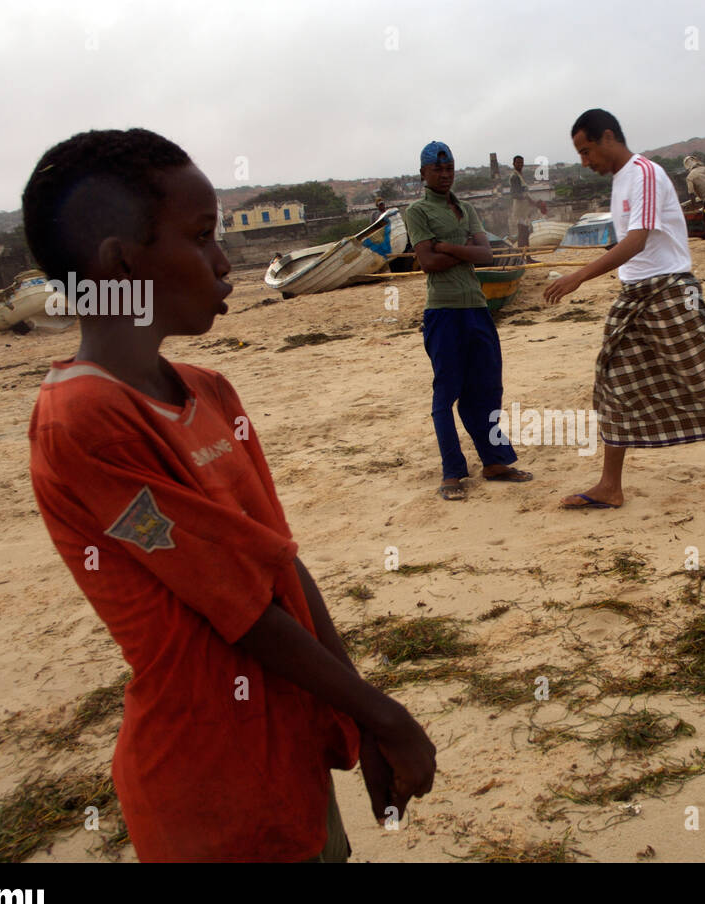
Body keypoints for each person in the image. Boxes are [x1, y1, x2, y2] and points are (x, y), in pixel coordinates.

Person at [22, 128, 436, 862]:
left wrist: (360, 709)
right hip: (206, 781)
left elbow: (281, 568)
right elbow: (238, 606)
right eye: (203, 236)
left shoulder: (212, 391)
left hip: (288, 750)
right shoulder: (82, 419)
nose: (224, 267)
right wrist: (383, 713)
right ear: (121, 261)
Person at [542, 109, 705, 508]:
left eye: (587, 151)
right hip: (635, 296)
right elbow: (633, 242)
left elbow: (638, 241)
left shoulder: (644, 173)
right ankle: (610, 486)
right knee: (614, 385)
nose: (585, 162)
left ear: (608, 137)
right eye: (580, 155)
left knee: (704, 381)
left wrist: (579, 276)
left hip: (671, 291)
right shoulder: (622, 180)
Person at [404, 140, 532, 501]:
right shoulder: (417, 211)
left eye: (449, 168)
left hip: (477, 307)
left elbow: (486, 253)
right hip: (443, 311)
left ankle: (494, 462)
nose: (445, 175)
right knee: (446, 394)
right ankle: (452, 473)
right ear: (424, 173)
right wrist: (461, 252)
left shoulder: (465, 208)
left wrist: (447, 247)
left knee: (488, 389)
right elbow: (428, 263)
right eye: (437, 170)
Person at [507, 155, 541, 250]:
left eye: (521, 163)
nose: (520, 164)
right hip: (520, 209)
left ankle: (526, 256)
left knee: (525, 233)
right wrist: (527, 198)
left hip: (524, 209)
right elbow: (514, 194)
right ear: (513, 164)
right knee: (523, 233)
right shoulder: (514, 177)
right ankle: (524, 256)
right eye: (518, 163)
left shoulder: (520, 175)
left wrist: (532, 200)